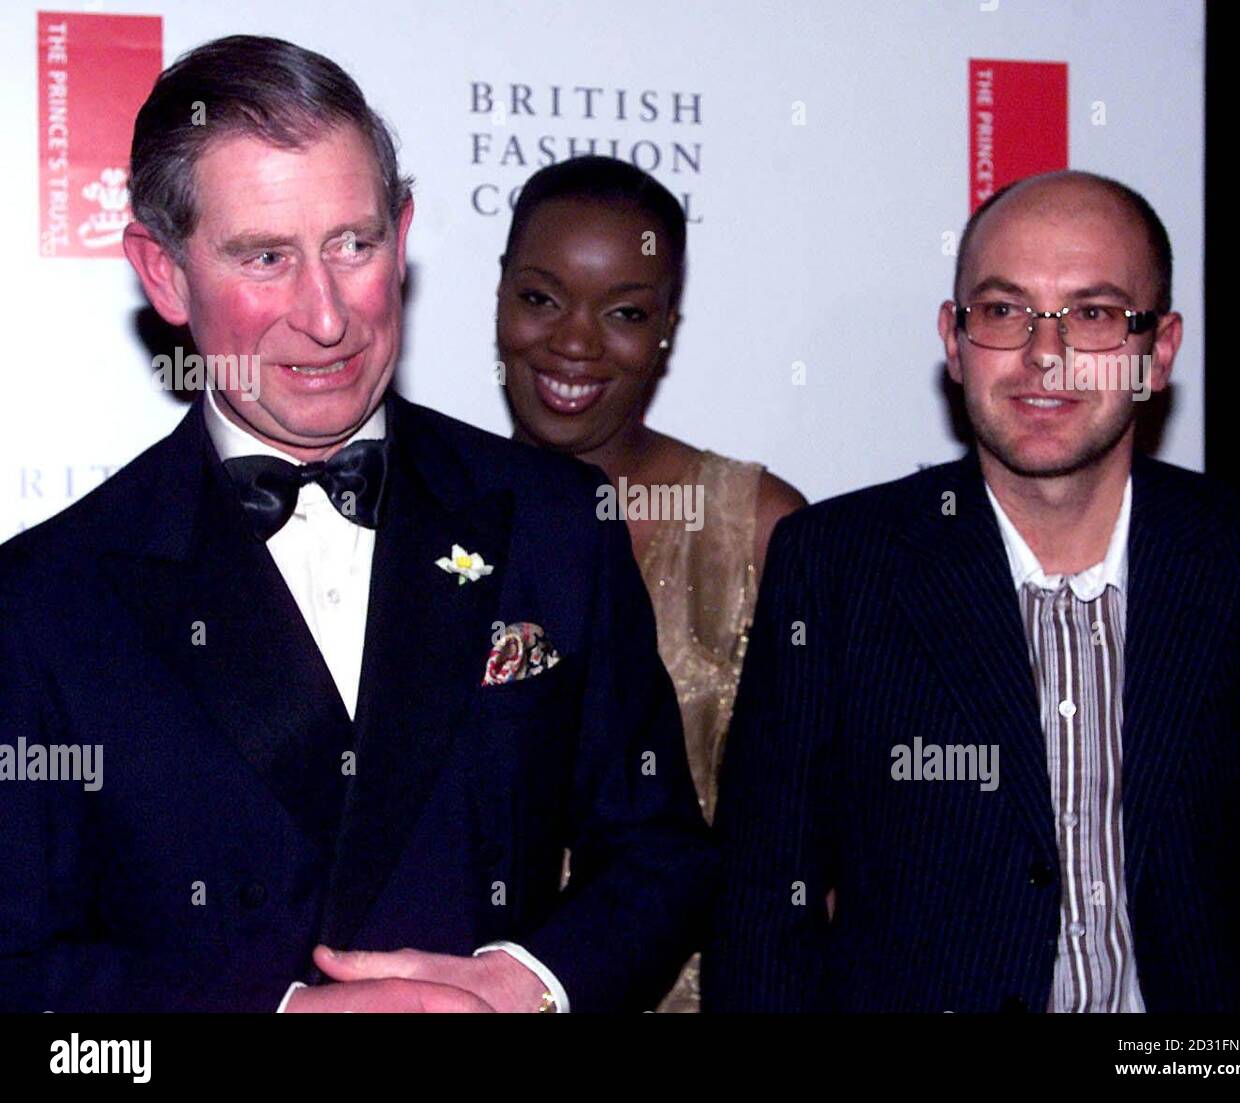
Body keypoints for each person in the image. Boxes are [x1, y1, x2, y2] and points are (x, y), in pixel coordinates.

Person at [0, 36, 714, 1013]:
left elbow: (660, 853)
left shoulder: (554, 521)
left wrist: (531, 984)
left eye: (353, 245)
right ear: (164, 275)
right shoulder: (48, 600)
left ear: (404, 233)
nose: (327, 317)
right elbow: (21, 971)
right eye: (265, 258)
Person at [706, 170, 1240, 1012]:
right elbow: (764, 903)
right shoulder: (838, 566)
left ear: (1157, 352)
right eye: (1003, 311)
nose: (1042, 355)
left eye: (1092, 314)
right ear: (954, 340)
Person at [496, 156, 806, 1011]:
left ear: (667, 327)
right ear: (499, 297)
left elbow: (829, 850)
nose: (574, 341)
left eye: (625, 311)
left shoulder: (757, 533)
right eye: (541, 297)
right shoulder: (427, 515)